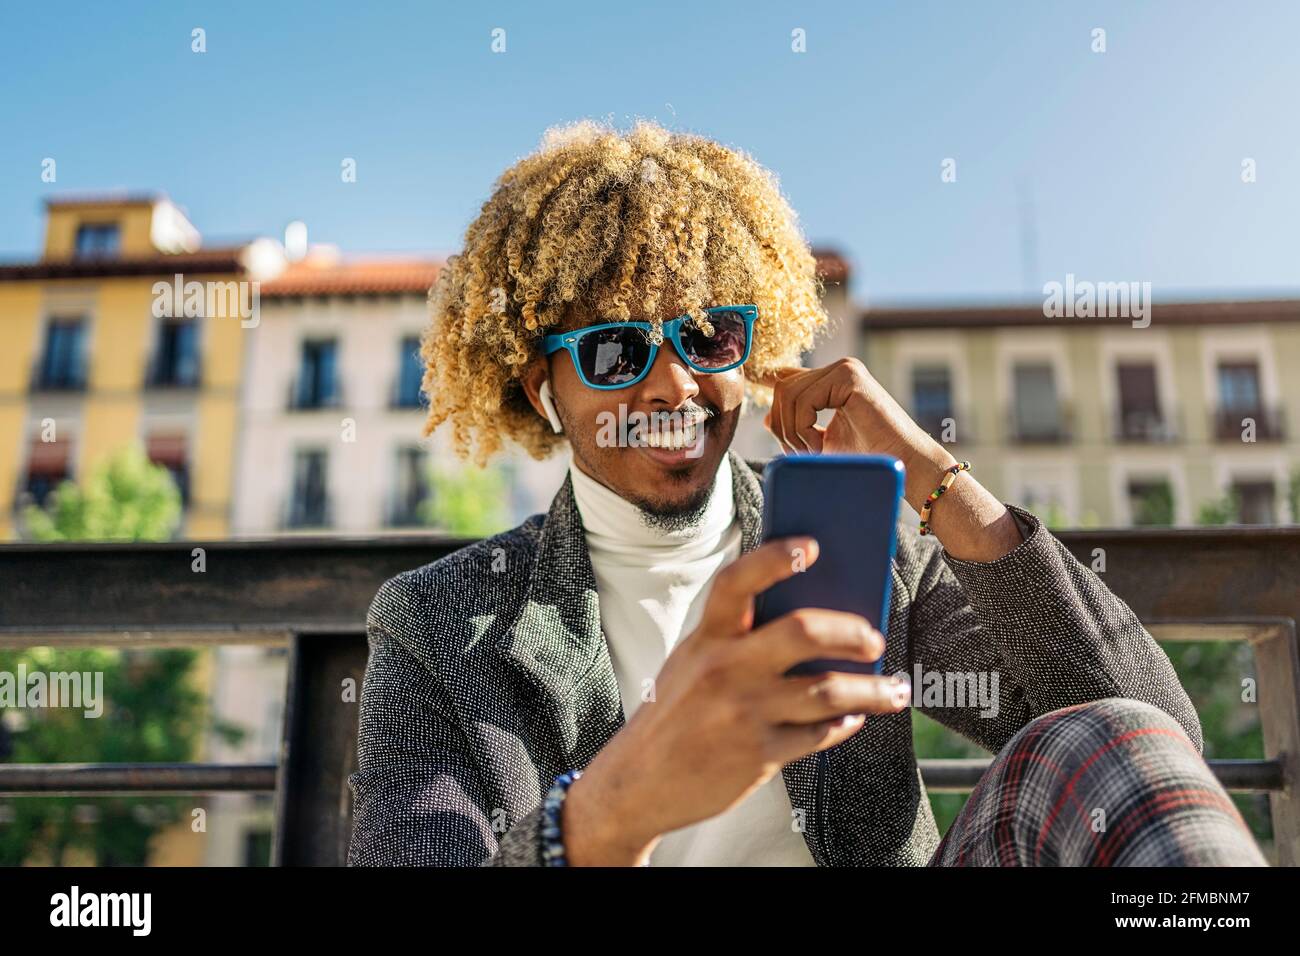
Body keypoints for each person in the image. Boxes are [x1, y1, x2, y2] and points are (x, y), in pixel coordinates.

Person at [346, 120, 1265, 867]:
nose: (671, 387)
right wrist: (611, 815)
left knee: (1105, 742)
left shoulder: (864, 558)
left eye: (707, 337)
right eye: (616, 351)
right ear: (545, 388)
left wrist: (928, 473)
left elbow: (1142, 733)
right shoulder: (438, 625)